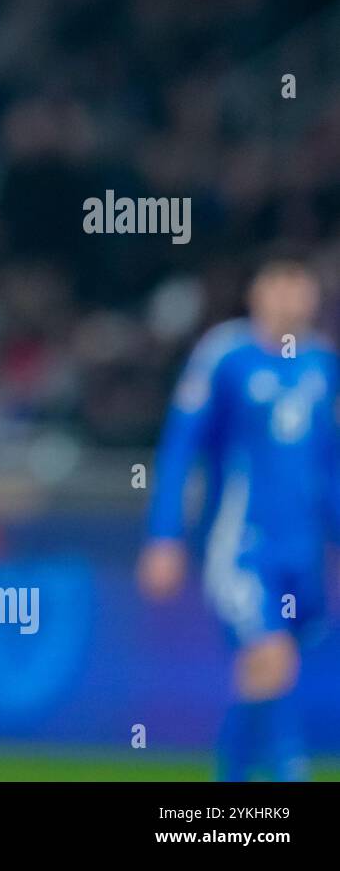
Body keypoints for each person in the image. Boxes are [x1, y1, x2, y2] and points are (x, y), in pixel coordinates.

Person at [138, 255, 339, 780]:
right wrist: (165, 535)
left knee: (263, 676)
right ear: (255, 292)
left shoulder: (322, 365)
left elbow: (328, 468)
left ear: (313, 297)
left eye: (299, 285)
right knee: (272, 658)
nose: (288, 297)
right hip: (242, 546)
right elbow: (182, 448)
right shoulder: (226, 355)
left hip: (303, 554)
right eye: (277, 284)